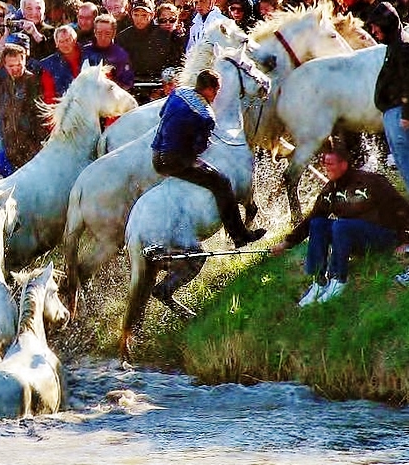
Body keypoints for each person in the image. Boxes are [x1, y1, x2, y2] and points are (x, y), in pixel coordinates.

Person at [270, 145, 409, 305]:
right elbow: (311, 219)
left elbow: (401, 207)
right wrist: (286, 243)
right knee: (318, 224)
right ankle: (319, 281)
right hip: (354, 240)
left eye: (330, 163)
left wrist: (405, 239)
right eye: (323, 162)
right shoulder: (330, 190)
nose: (325, 167)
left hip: (383, 236)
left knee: (341, 226)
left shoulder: (371, 181)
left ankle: (338, 280)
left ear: (344, 164)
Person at [151, 69, 267, 249]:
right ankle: (240, 236)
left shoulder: (178, 92)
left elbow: (161, 114)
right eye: (216, 91)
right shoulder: (206, 115)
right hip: (175, 162)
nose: (215, 97)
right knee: (222, 183)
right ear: (210, 89)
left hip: (156, 157)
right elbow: (200, 148)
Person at [0, 43, 48, 175]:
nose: (16, 69)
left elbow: (38, 113)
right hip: (7, 140)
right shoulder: (1, 78)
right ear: (4, 65)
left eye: (19, 65)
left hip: (29, 142)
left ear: (24, 61)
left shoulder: (32, 81)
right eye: (11, 66)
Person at [368, 2, 409, 190]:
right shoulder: (394, 46)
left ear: (386, 24)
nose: (373, 32)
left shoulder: (402, 49)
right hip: (394, 114)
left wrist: (407, 114)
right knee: (402, 163)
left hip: (400, 115)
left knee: (406, 163)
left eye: (376, 27)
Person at [117, 0, 183, 104]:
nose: (140, 19)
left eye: (144, 15)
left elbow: (176, 63)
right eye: (136, 15)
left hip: (159, 89)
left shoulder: (165, 36)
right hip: (131, 90)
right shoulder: (122, 37)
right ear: (131, 15)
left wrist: (168, 81)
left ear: (152, 15)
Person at [82, 14, 135, 91]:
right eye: (99, 33)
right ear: (95, 32)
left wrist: (111, 82)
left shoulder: (121, 55)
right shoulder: (85, 52)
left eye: (107, 33)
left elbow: (127, 83)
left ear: (113, 33)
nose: (103, 37)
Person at [40, 25, 83, 105]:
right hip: (65, 108)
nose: (65, 45)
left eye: (67, 40)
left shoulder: (89, 55)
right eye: (61, 41)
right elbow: (49, 96)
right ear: (56, 44)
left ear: (75, 40)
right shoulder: (49, 64)